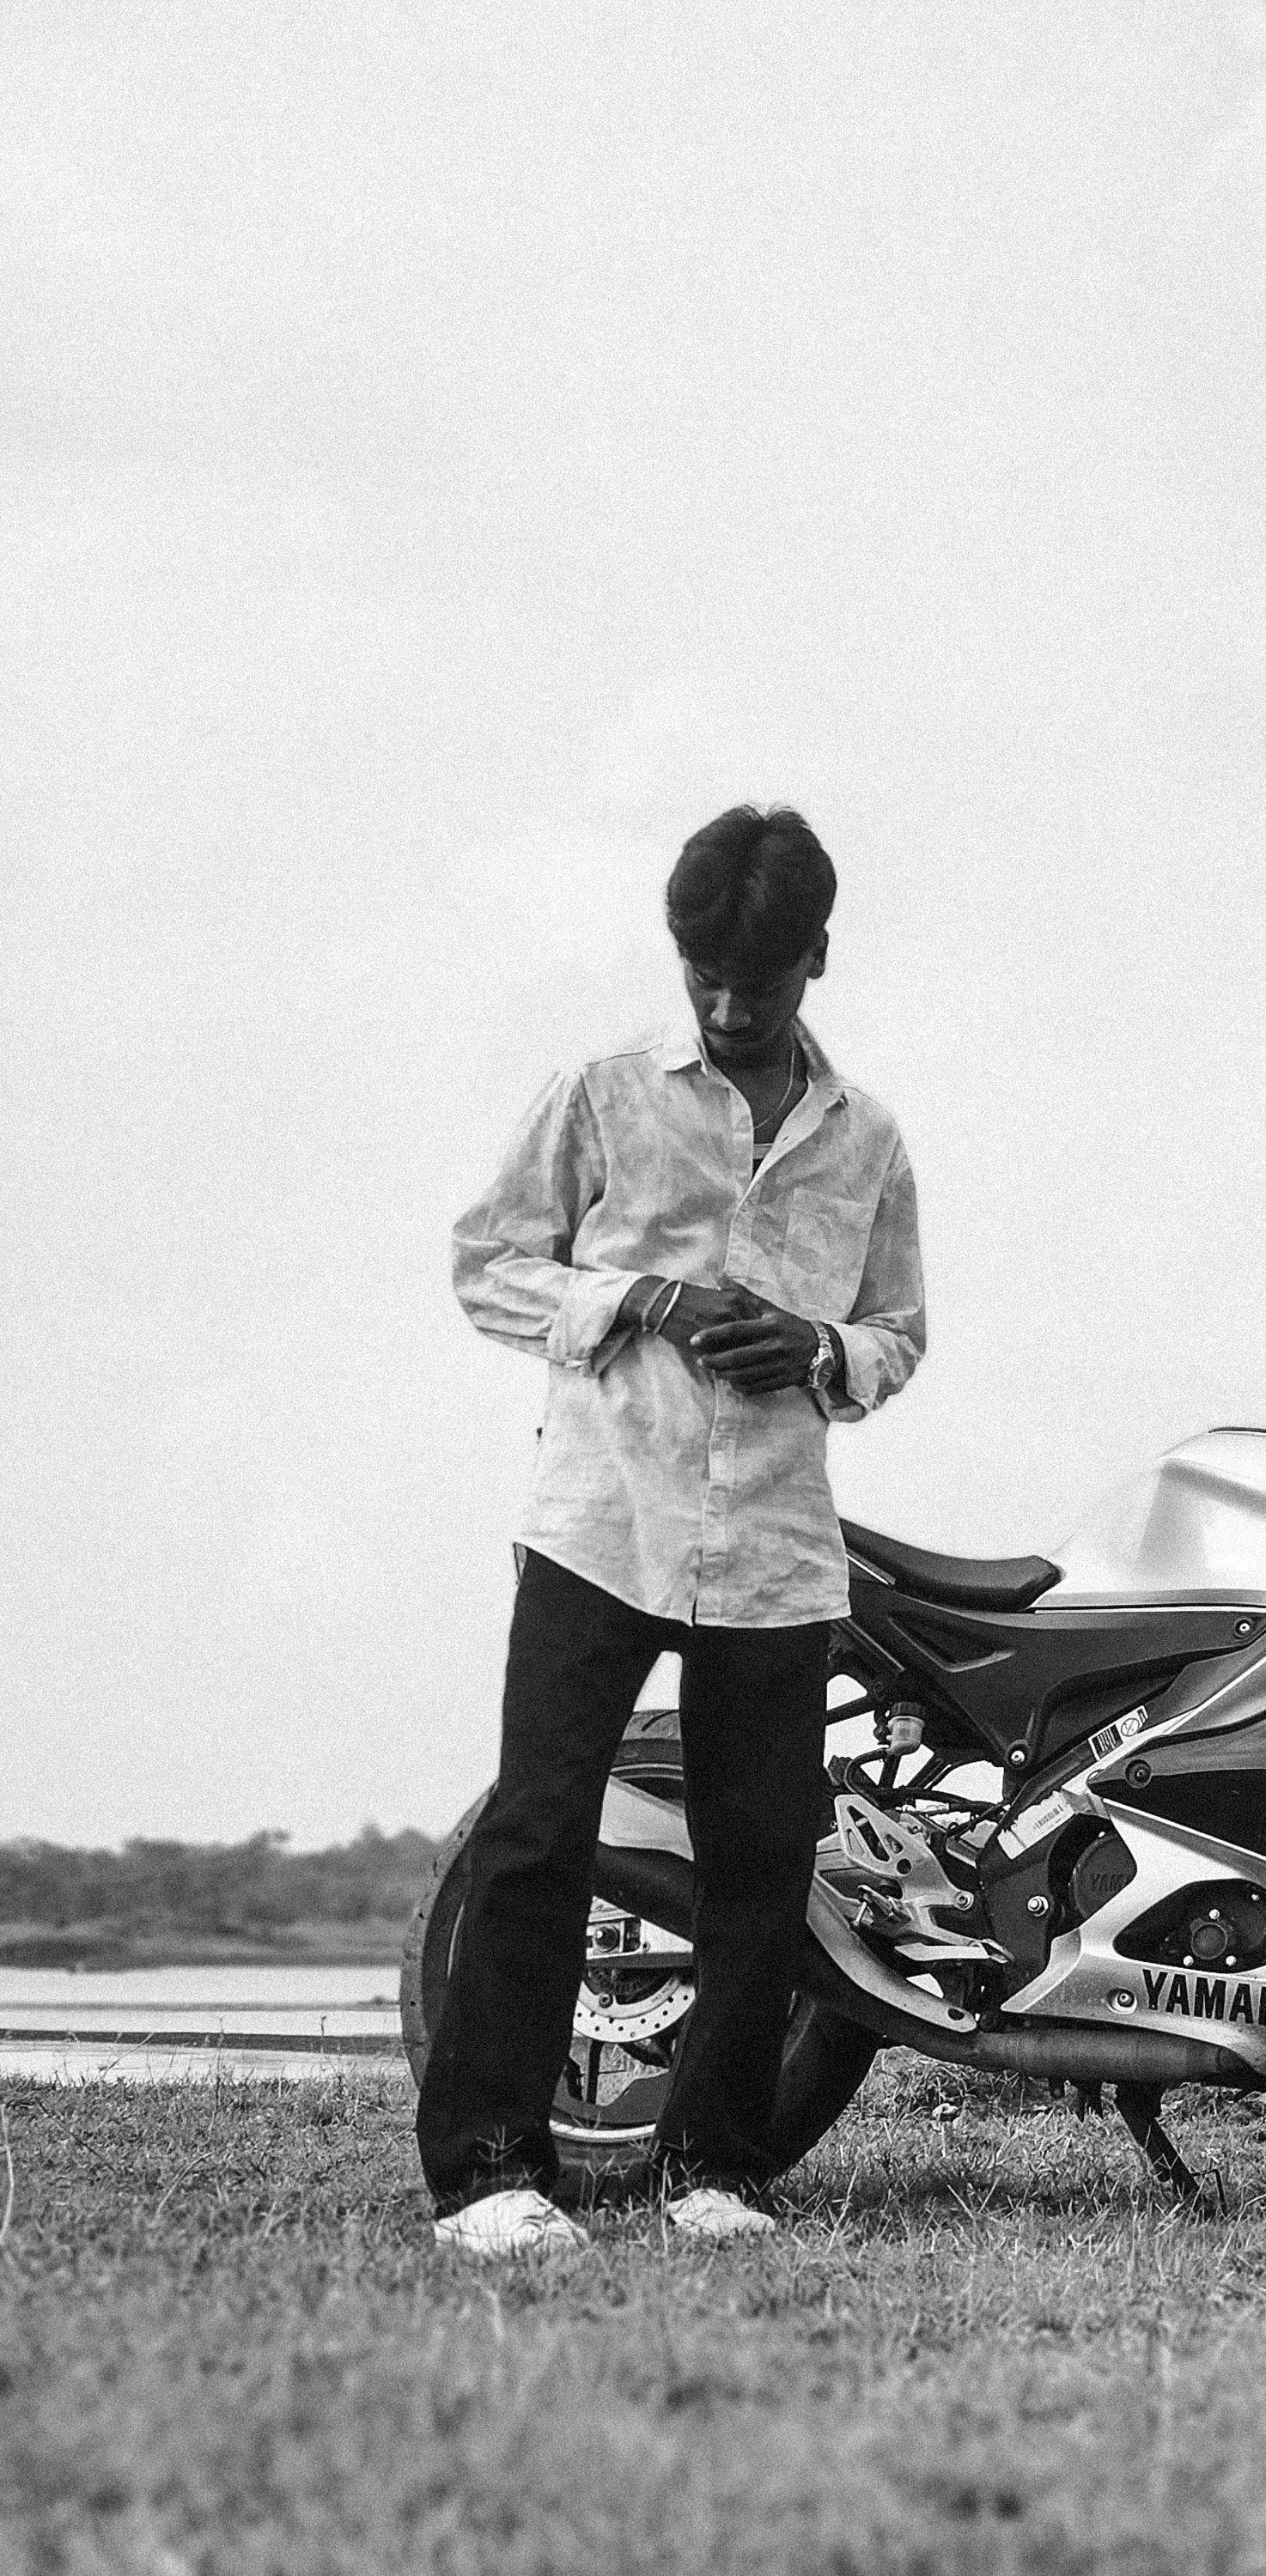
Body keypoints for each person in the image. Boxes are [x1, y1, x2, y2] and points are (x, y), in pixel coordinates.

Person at [422, 805, 926, 2257]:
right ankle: (488, 2173)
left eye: (760, 973)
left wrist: (816, 1352)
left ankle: (716, 2170)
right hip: (601, 1517)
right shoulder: (598, 1093)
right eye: (706, 966)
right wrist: (632, 1299)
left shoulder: (868, 1139)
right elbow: (486, 1268)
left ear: (816, 957)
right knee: (537, 1832)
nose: (728, 998)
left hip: (772, 1539)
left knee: (764, 1858)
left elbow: (897, 1334)